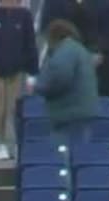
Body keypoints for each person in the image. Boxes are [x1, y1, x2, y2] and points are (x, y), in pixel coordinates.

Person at [0, 0, 38, 160]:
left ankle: (18, 144)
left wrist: (33, 72)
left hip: (16, 70)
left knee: (14, 108)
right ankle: (1, 143)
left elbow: (30, 44)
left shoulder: (24, 15)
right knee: (1, 109)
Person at [32, 20, 99, 149]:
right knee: (79, 155)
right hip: (80, 112)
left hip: (69, 115)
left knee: (63, 157)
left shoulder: (65, 51)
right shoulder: (79, 50)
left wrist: (39, 87)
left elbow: (60, 77)